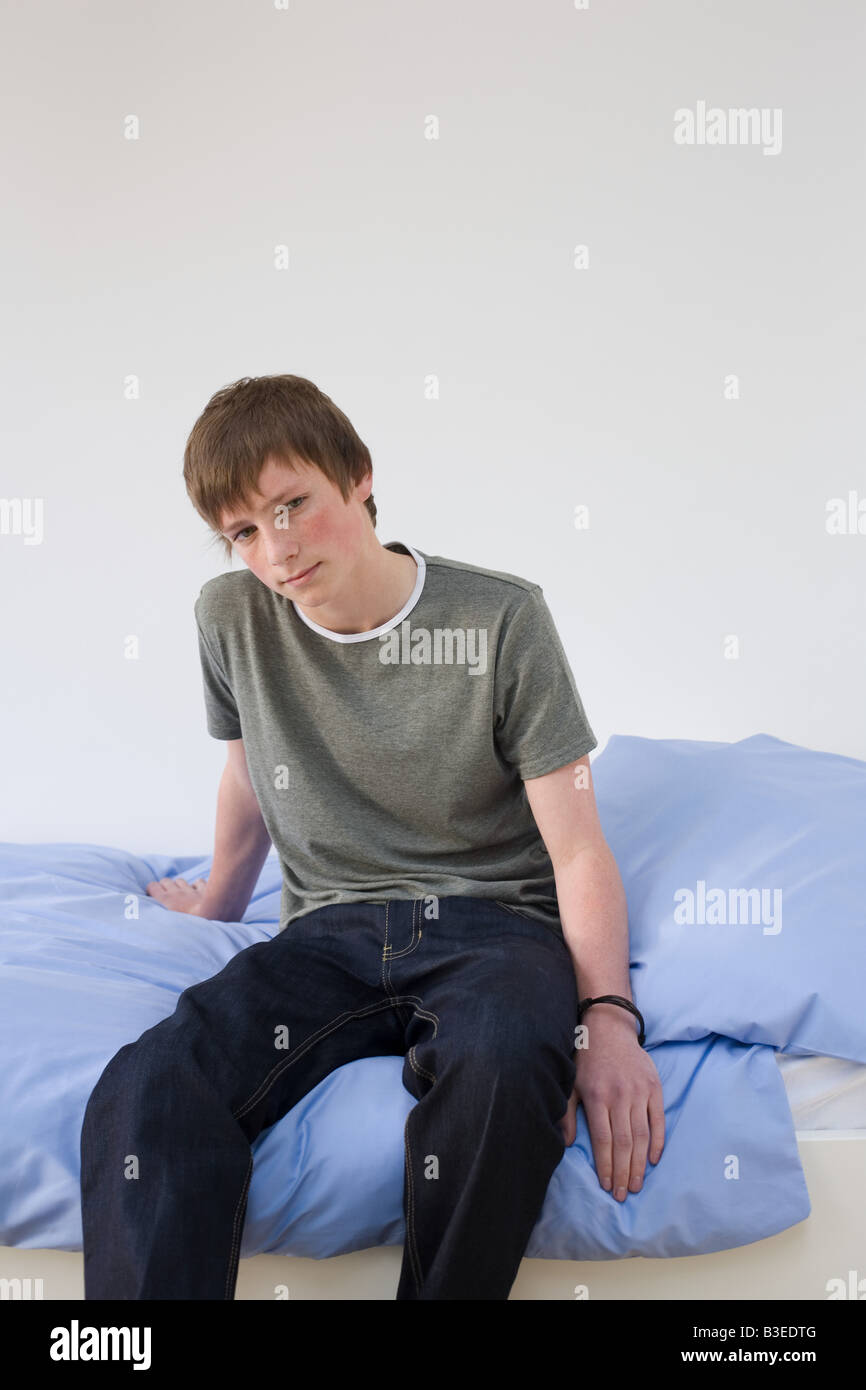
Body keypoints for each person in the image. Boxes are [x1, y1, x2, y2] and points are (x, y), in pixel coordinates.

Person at [79, 373, 664, 1300]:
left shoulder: (502, 618)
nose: (273, 551)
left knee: (507, 1070)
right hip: (327, 936)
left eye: (291, 505)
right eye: (241, 531)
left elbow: (579, 847)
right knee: (148, 1085)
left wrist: (609, 1019)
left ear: (357, 477)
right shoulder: (231, 618)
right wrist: (220, 898)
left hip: (494, 930)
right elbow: (248, 767)